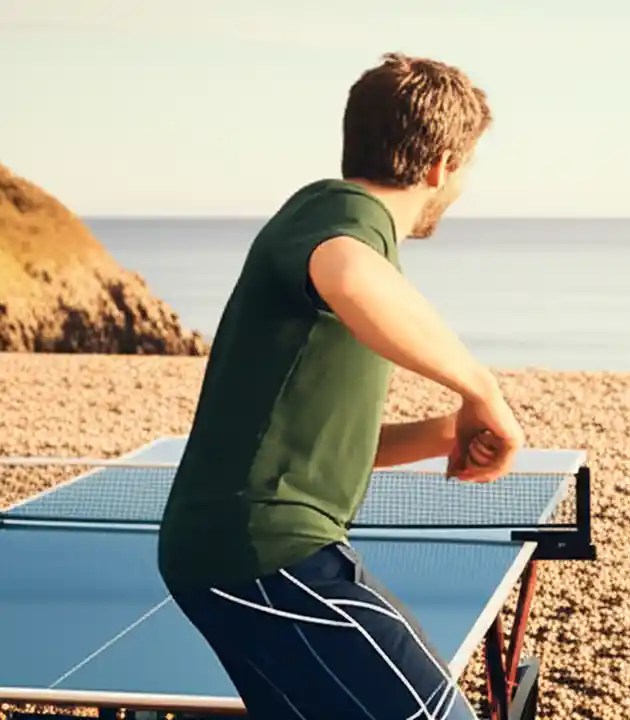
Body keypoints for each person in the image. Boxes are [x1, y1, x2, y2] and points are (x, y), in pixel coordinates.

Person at [156, 53, 523, 720]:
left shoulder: (329, 224)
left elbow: (319, 440)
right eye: (469, 167)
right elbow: (350, 275)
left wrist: (445, 431)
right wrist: (479, 386)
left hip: (238, 549)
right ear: (442, 164)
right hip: (265, 549)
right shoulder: (342, 217)